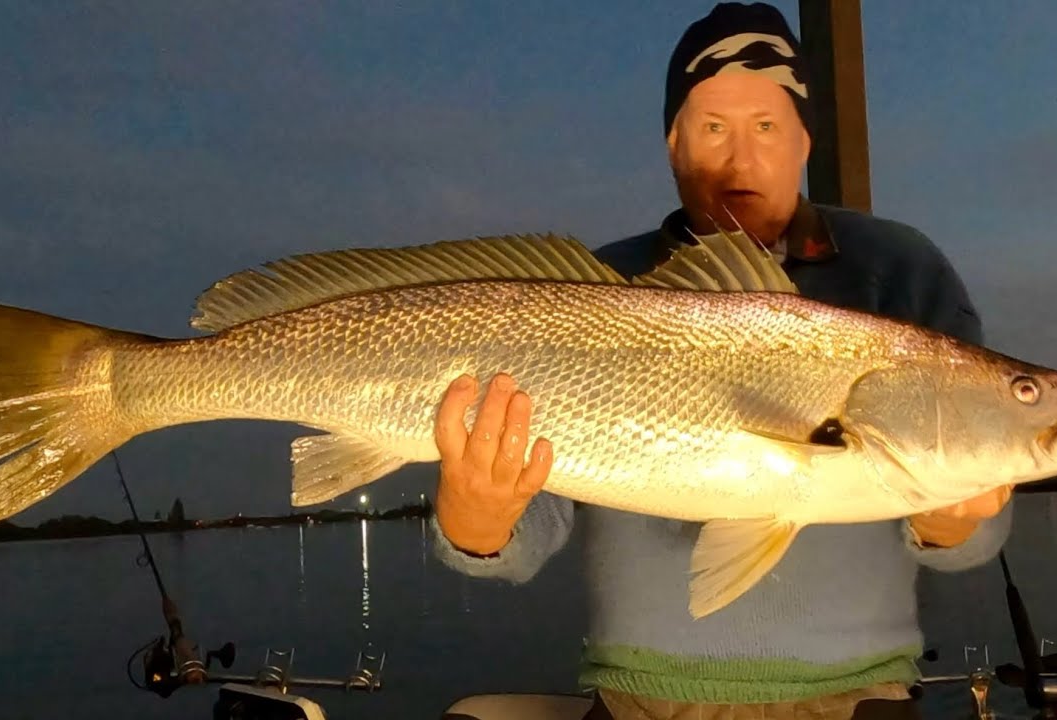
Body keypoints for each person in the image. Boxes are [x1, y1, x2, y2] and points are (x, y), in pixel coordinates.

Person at [430, 3, 1014, 719]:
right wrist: (475, 521)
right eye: (713, 129)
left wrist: (958, 519)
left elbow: (969, 539)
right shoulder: (598, 287)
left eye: (767, 127)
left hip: (859, 700)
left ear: (804, 138)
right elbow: (524, 533)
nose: (743, 159)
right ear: (673, 143)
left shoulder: (898, 271)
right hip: (640, 702)